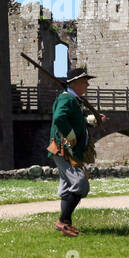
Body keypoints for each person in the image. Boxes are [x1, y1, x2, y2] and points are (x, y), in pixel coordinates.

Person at [49, 67, 98, 237]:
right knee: (80, 184)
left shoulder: (73, 100)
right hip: (64, 149)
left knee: (68, 187)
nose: (87, 84)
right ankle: (62, 221)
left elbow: (74, 121)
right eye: (84, 81)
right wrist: (70, 136)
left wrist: (89, 122)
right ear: (75, 83)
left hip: (67, 149)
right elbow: (59, 118)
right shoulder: (67, 99)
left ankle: (66, 225)